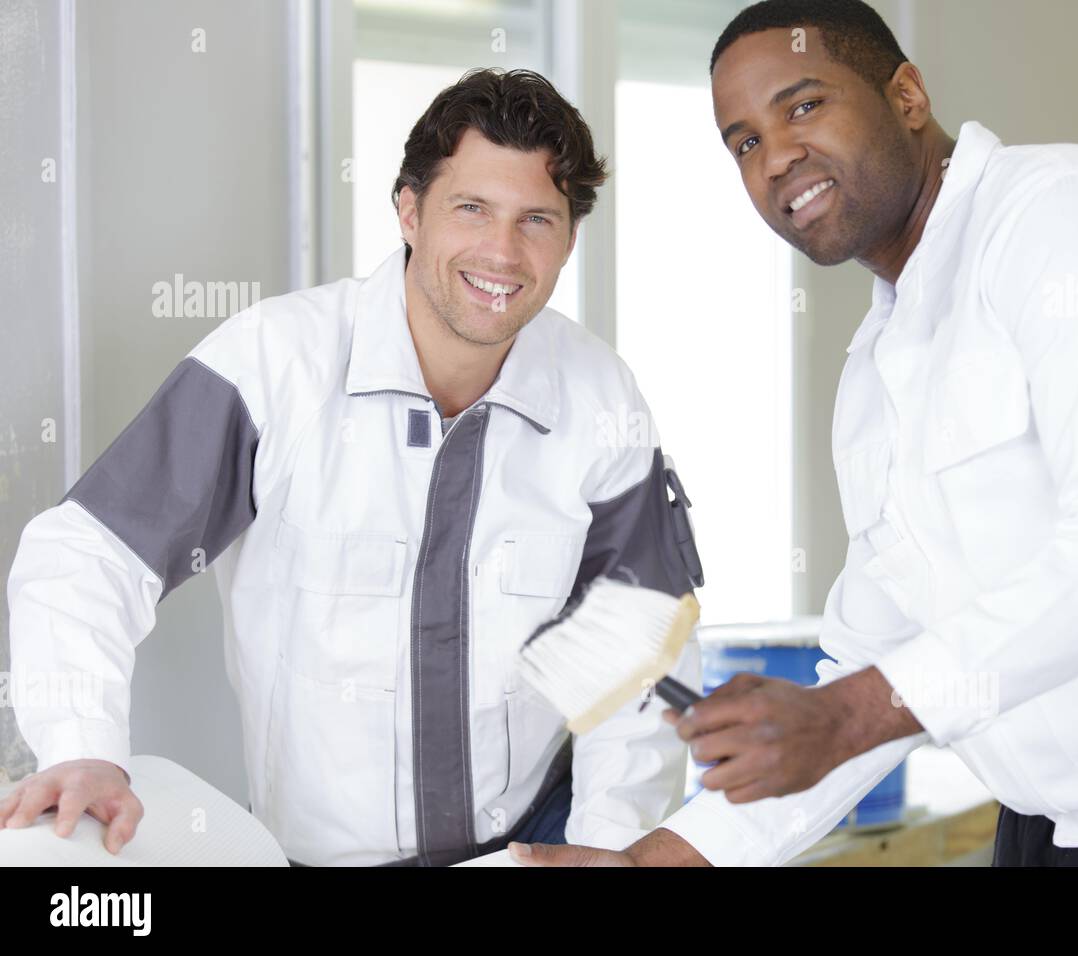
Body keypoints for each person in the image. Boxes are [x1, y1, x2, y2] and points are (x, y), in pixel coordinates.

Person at [511, 0, 1078, 867]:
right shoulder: (878, 372)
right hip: (1050, 831)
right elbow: (877, 654)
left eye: (803, 105)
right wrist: (651, 861)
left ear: (909, 96)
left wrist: (850, 714)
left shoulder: (1069, 220)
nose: (776, 157)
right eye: (743, 142)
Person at [2, 68, 704, 866]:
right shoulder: (273, 363)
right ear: (409, 210)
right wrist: (83, 746)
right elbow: (88, 552)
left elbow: (641, 643)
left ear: (569, 238)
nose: (502, 252)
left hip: (533, 847)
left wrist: (608, 846)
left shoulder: (600, 394)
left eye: (536, 219)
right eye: (471, 208)